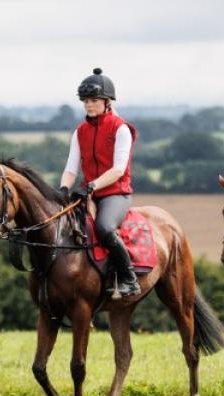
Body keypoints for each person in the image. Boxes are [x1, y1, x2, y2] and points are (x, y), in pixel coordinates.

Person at [60, 68, 140, 298]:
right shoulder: (80, 131)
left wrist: (93, 185)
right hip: (89, 193)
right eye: (85, 101)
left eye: (94, 100)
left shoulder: (120, 129)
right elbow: (70, 168)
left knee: (104, 227)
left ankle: (129, 278)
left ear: (107, 102)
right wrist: (64, 189)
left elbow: (118, 170)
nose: (89, 105)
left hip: (116, 192)